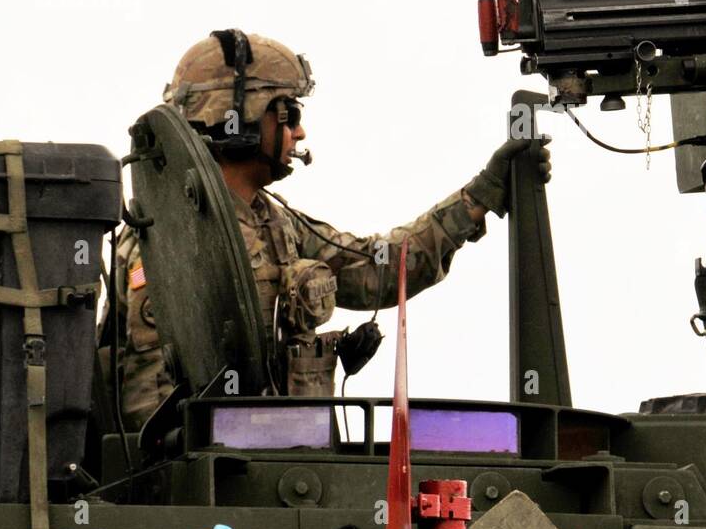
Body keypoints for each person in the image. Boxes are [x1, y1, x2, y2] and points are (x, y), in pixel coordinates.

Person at [105, 29, 549, 429]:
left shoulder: (278, 225)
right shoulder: (165, 241)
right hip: (210, 489)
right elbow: (152, 406)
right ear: (238, 118)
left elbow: (379, 268)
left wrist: (480, 198)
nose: (299, 132)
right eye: (288, 115)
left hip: (284, 468)